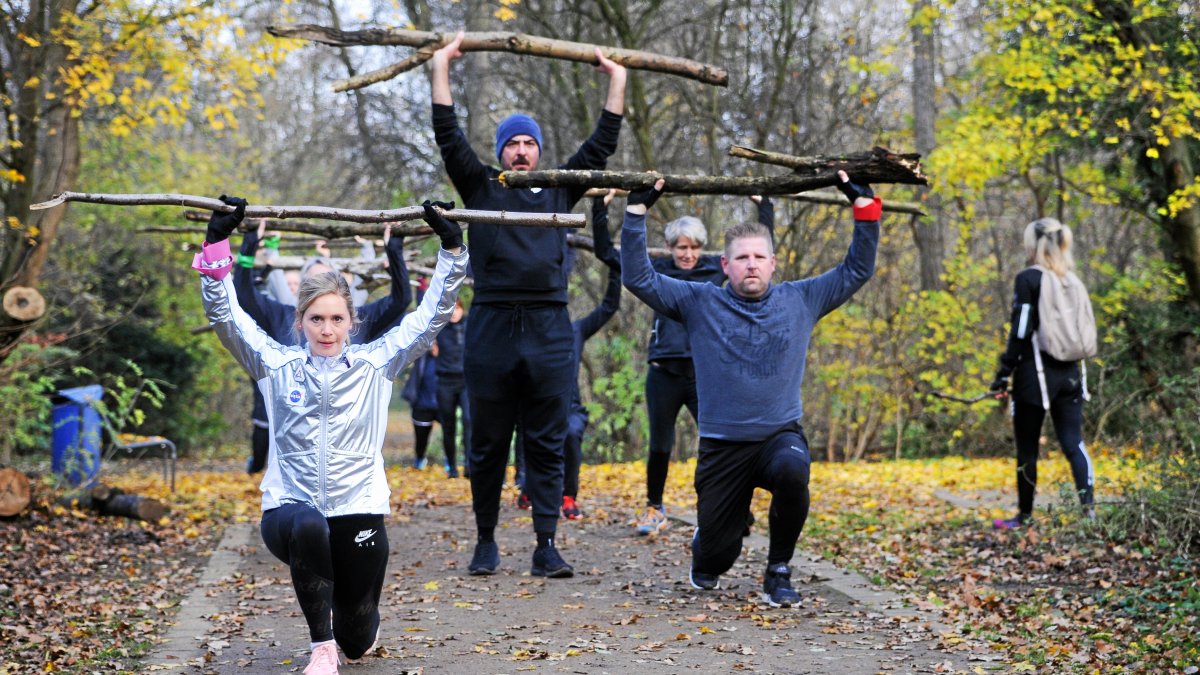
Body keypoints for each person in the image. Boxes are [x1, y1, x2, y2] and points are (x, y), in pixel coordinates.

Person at [195, 196, 468, 674]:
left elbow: (429, 317)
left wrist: (452, 247)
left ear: (351, 323)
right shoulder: (275, 365)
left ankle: (350, 634)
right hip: (289, 507)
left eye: (336, 319)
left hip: (357, 509)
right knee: (306, 524)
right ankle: (321, 648)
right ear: (300, 321)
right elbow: (227, 317)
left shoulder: (377, 364)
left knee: (358, 639)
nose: (326, 328)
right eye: (316, 319)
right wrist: (217, 242)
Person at [620, 172, 880, 607]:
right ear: (726, 265)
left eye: (760, 256)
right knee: (714, 563)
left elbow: (857, 268)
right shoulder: (699, 302)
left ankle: (778, 569)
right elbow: (640, 279)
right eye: (741, 258)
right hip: (723, 447)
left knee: (795, 471)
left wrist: (865, 207)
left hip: (779, 435)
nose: (752, 264)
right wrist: (634, 213)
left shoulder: (802, 299)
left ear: (773, 263)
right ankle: (712, 542)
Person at [428, 31, 626, 578]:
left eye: (529, 143)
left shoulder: (560, 187)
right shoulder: (481, 186)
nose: (521, 150)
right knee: (487, 441)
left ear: (540, 150)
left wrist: (618, 78)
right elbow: (447, 134)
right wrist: (442, 64)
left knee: (547, 440)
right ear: (501, 152)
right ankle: (486, 540)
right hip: (491, 325)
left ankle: (546, 544)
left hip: (548, 329)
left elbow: (601, 145)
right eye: (513, 144)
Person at [636, 196, 774, 536]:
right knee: (660, 446)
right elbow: (617, 259)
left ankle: (736, 510)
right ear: (669, 247)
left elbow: (760, 257)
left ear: (702, 249)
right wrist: (612, 212)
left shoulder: (717, 270)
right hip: (663, 373)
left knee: (722, 443)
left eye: (693, 248)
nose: (687, 254)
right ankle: (654, 507)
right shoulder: (658, 271)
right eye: (680, 247)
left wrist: (765, 207)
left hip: (704, 375)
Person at [515, 192, 623, 519]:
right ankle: (527, 485)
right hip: (536, 404)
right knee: (530, 429)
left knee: (572, 433)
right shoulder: (529, 327)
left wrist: (616, 269)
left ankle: (568, 495)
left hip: (569, 407)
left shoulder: (576, 330)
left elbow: (607, 308)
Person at [988, 217, 1096, 529]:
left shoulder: (1028, 279)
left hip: (1034, 376)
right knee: (1074, 443)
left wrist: (1002, 374)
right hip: (1072, 375)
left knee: (1027, 449)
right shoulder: (1071, 280)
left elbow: (1021, 331)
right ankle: (1089, 511)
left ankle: (1023, 516)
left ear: (1034, 244)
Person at [434, 299, 471, 478]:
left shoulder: (470, 326)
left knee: (469, 421)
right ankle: (452, 466)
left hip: (466, 381)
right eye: (451, 309)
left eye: (457, 309)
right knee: (448, 426)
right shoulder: (439, 329)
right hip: (445, 381)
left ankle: (470, 465)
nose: (454, 313)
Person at [401, 349, 440, 470]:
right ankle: (420, 459)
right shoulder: (422, 356)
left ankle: (451, 464)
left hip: (445, 404)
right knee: (421, 438)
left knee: (451, 433)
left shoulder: (450, 358)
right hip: (422, 404)